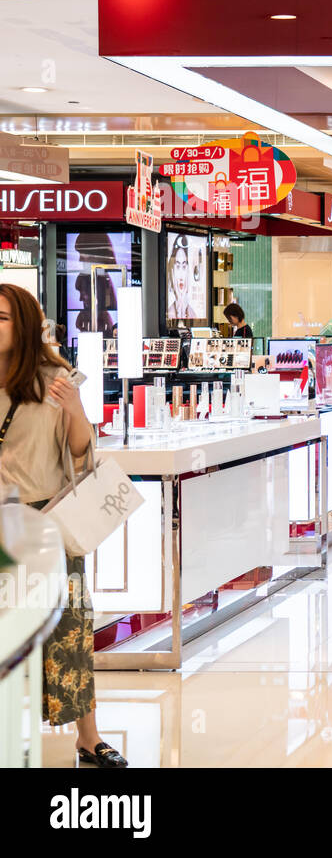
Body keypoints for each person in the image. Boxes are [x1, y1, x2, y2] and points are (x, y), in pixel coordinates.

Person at [0, 285, 121, 766]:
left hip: (43, 520)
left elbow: (80, 454)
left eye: (2, 317)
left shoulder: (55, 380)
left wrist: (74, 408)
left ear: (24, 324)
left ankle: (88, 737)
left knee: (69, 629)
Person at [166, 235, 200, 321]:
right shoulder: (169, 312)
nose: (181, 276)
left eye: (184, 266)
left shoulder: (192, 314)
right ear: (172, 270)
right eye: (177, 266)